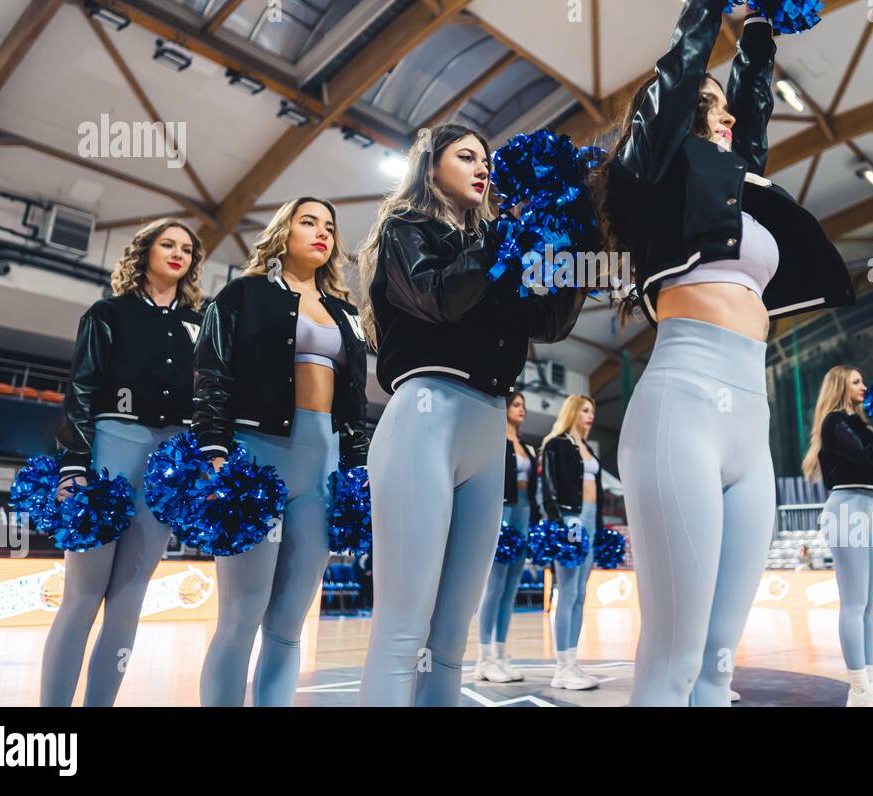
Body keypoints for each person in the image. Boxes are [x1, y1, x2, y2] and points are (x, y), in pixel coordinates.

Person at [589, 0, 852, 707]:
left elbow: (753, 117)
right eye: (709, 103)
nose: (725, 110)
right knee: (672, 658)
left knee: (717, 663)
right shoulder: (649, 180)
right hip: (682, 408)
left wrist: (760, 31)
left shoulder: (734, 191)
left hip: (750, 421)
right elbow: (676, 80)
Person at [355, 123, 586, 706]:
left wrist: (563, 236)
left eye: (487, 159)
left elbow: (552, 323)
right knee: (404, 629)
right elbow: (439, 297)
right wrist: (504, 239)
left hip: (487, 430)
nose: (483, 167)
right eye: (466, 157)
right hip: (424, 417)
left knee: (451, 635)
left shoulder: (502, 248)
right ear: (431, 169)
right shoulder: (406, 231)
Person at [194, 197, 370, 706]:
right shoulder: (243, 295)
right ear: (283, 230)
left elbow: (355, 401)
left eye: (330, 227)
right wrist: (215, 451)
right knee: (241, 616)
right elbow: (212, 375)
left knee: (291, 623)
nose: (322, 232)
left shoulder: (346, 313)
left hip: (324, 470)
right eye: (308, 221)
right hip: (256, 461)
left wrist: (356, 467)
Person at [41, 220, 204, 706]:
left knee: (130, 597)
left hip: (169, 459)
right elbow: (82, 389)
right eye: (168, 244)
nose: (179, 254)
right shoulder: (108, 313)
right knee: (82, 597)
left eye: (188, 249)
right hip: (111, 447)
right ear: (146, 251)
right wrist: (75, 464)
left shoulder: (201, 322)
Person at [803, 366, 873, 707]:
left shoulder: (861, 425)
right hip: (846, 509)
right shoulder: (835, 422)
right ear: (840, 385)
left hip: (867, 509)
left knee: (866, 607)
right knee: (853, 603)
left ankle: (870, 685)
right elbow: (871, 455)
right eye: (857, 381)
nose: (865, 386)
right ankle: (858, 689)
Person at [473, 390, 539, 683]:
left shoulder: (528, 447)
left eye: (524, 406)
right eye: (516, 404)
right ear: (505, 407)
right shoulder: (493, 439)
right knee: (494, 587)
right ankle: (484, 657)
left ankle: (500, 654)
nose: (521, 409)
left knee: (510, 590)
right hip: (503, 513)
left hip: (524, 514)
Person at [541, 394, 604, 691]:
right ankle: (562, 667)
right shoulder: (556, 444)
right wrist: (560, 524)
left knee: (580, 593)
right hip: (572, 521)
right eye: (586, 410)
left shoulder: (588, 449)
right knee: (566, 591)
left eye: (593, 411)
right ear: (573, 412)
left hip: (591, 522)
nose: (591, 415)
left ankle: (572, 662)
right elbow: (548, 489)